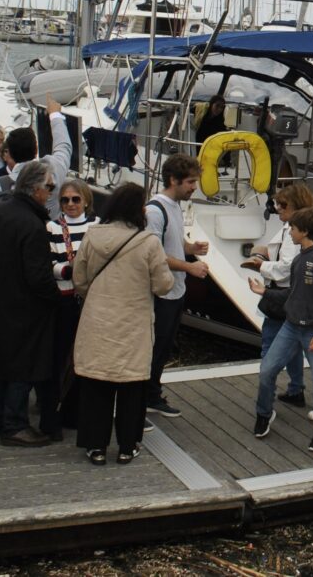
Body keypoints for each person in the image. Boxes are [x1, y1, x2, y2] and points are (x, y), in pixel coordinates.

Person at [74, 183, 173, 466]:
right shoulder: (148, 242)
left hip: (97, 320)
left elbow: (79, 280)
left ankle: (96, 446)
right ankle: (127, 446)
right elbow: (164, 285)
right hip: (133, 321)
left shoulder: (92, 236)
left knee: (97, 384)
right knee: (131, 386)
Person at [0, 160, 62, 447]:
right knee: (23, 368)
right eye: (49, 187)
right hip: (23, 308)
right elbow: (37, 275)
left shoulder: (2, 209)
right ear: (35, 188)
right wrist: (55, 298)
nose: (51, 193)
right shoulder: (31, 223)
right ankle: (14, 425)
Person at [251, 209, 313, 453]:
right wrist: (264, 292)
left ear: (305, 231)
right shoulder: (300, 258)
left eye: (293, 229)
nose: (290, 233)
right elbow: (294, 294)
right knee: (267, 370)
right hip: (290, 326)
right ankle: (264, 413)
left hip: (312, 331)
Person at [244, 182, 313, 406]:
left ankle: (265, 402)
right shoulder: (304, 229)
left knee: (270, 347)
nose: (278, 208)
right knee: (295, 347)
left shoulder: (292, 232)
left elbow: (288, 266)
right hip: (295, 295)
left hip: (282, 294)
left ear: (297, 206)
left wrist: (261, 266)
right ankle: (296, 388)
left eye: (283, 205)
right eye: (278, 204)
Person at [144, 155, 209, 419]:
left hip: (175, 290)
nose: (195, 187)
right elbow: (153, 255)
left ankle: (152, 394)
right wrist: (190, 267)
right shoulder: (153, 211)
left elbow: (171, 240)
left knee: (163, 347)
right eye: (191, 182)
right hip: (162, 293)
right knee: (154, 348)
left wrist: (190, 249)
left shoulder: (174, 206)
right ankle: (143, 399)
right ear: (174, 180)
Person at [44, 178, 94, 436]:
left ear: (86, 200)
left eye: (76, 199)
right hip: (64, 301)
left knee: (85, 358)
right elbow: (48, 262)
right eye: (65, 200)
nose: (71, 204)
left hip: (90, 301)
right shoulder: (52, 227)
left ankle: (77, 410)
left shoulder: (97, 227)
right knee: (61, 356)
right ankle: (55, 409)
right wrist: (67, 269)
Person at [0, 98, 72, 229]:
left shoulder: (0, 185)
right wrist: (55, 115)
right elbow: (64, 146)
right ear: (36, 150)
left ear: (8, 152)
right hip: (52, 242)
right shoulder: (54, 172)